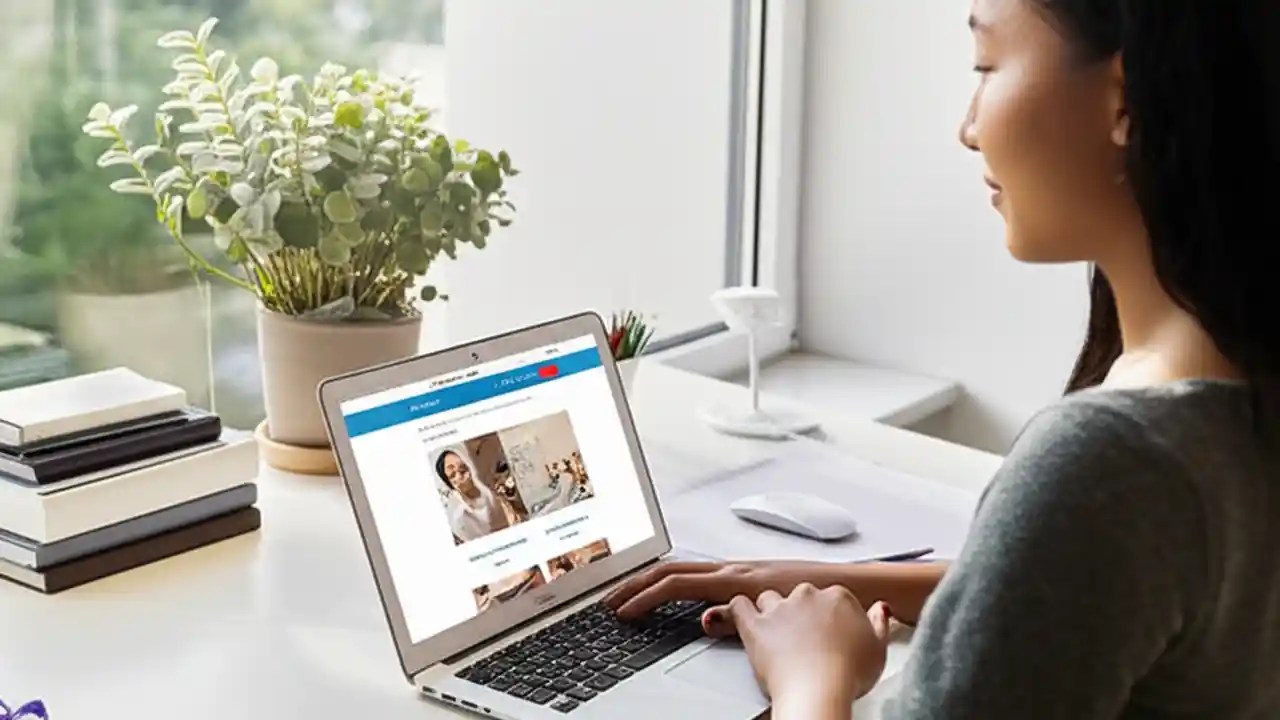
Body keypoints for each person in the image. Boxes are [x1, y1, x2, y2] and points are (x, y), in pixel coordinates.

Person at [606, 0, 1280, 717]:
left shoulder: (1113, 460)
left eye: (986, 66)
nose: (967, 129)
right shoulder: (1226, 395)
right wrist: (810, 578)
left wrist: (814, 674)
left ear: (1125, 100)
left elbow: (1096, 536)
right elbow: (1087, 595)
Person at [436, 449, 512, 542]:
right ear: (450, 484)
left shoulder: (491, 490)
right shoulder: (462, 518)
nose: (460, 472)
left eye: (461, 465)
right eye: (453, 474)